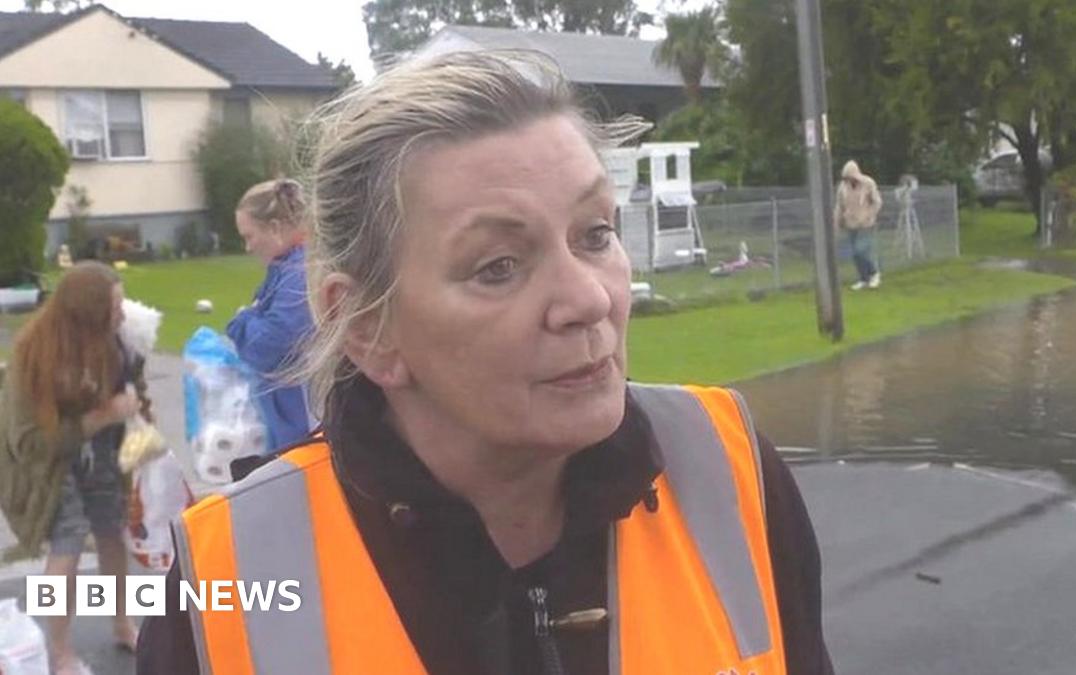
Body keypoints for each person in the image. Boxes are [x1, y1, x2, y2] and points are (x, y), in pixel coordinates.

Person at [138, 51, 834, 675]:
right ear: (369, 326)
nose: (588, 299)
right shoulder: (227, 576)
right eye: (499, 266)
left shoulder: (730, 467)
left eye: (596, 233)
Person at [0, 262, 148, 675]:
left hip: (100, 448)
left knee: (112, 529)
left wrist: (136, 396)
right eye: (114, 306)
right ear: (86, 313)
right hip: (48, 462)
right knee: (67, 541)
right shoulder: (34, 356)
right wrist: (102, 415)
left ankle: (123, 624)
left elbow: (134, 387)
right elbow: (30, 444)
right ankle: (60, 652)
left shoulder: (114, 336)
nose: (122, 313)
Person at [226, 178, 315, 451]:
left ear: (275, 228)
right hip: (290, 422)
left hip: (304, 424)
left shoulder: (298, 275)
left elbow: (269, 344)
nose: (248, 247)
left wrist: (241, 322)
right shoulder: (285, 270)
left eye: (249, 236)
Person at [834, 159, 883, 290]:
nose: (848, 181)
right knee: (855, 253)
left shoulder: (868, 183)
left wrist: (869, 215)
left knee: (860, 250)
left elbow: (877, 202)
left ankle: (874, 273)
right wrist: (837, 222)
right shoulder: (842, 187)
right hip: (851, 224)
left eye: (850, 177)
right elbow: (840, 206)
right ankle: (863, 278)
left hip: (866, 224)